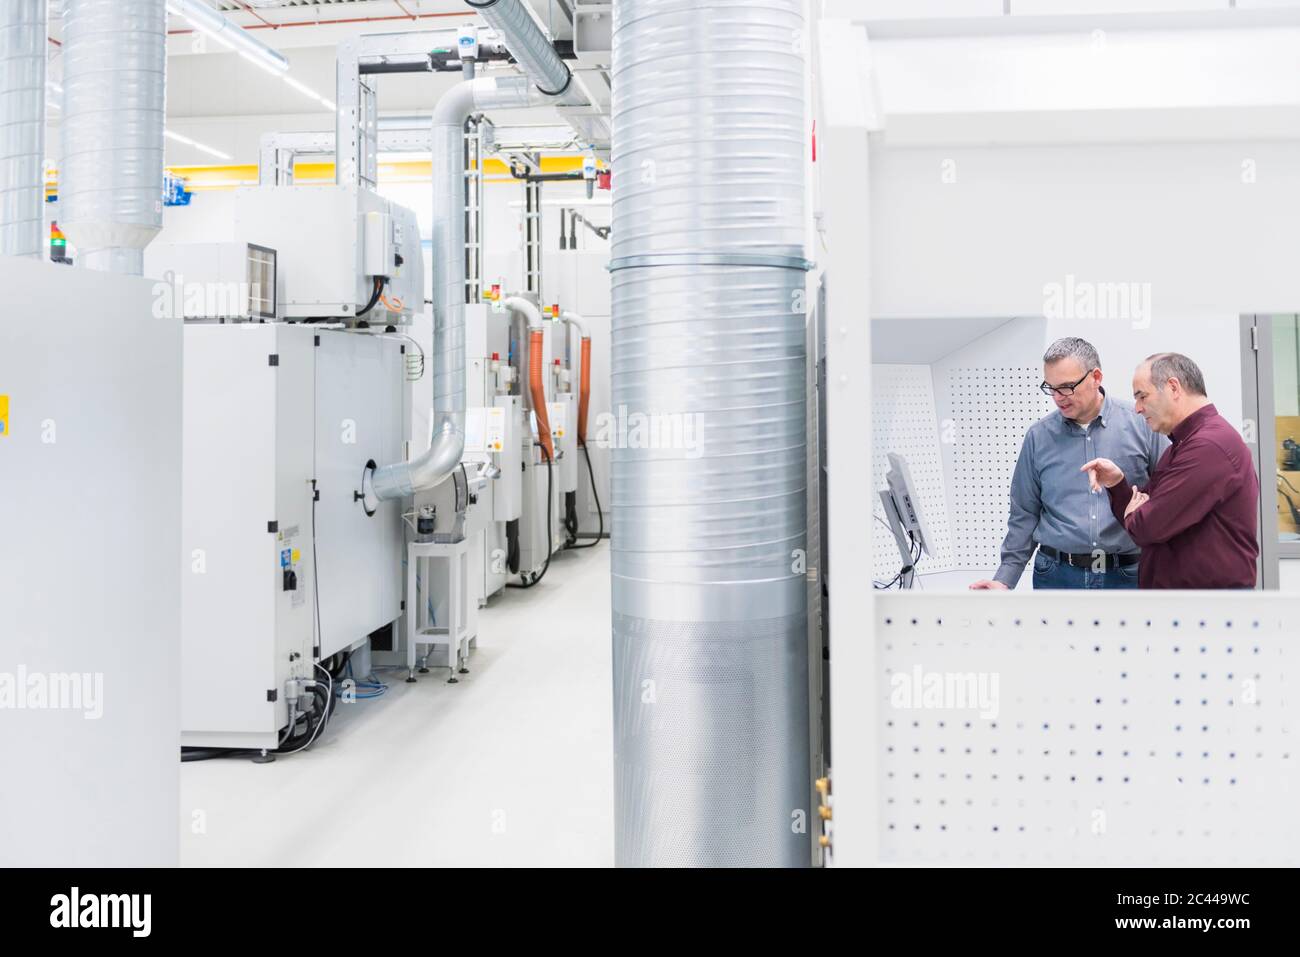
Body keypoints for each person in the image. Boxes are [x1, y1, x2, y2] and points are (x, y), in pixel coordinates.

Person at [970, 337, 1169, 590]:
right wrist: (1004, 579)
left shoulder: (1143, 425)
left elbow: (1168, 498)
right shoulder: (1038, 436)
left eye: (1066, 387)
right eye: (1050, 388)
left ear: (1096, 377)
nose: (1057, 397)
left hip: (1128, 575)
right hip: (1057, 576)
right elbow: (1024, 514)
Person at [1081, 353, 1258, 589]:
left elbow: (1147, 527)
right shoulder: (1182, 445)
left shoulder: (1208, 446)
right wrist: (1117, 483)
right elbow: (1141, 520)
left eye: (1142, 396)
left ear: (1173, 387)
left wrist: (1142, 512)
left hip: (1208, 612)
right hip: (1187, 608)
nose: (1138, 409)